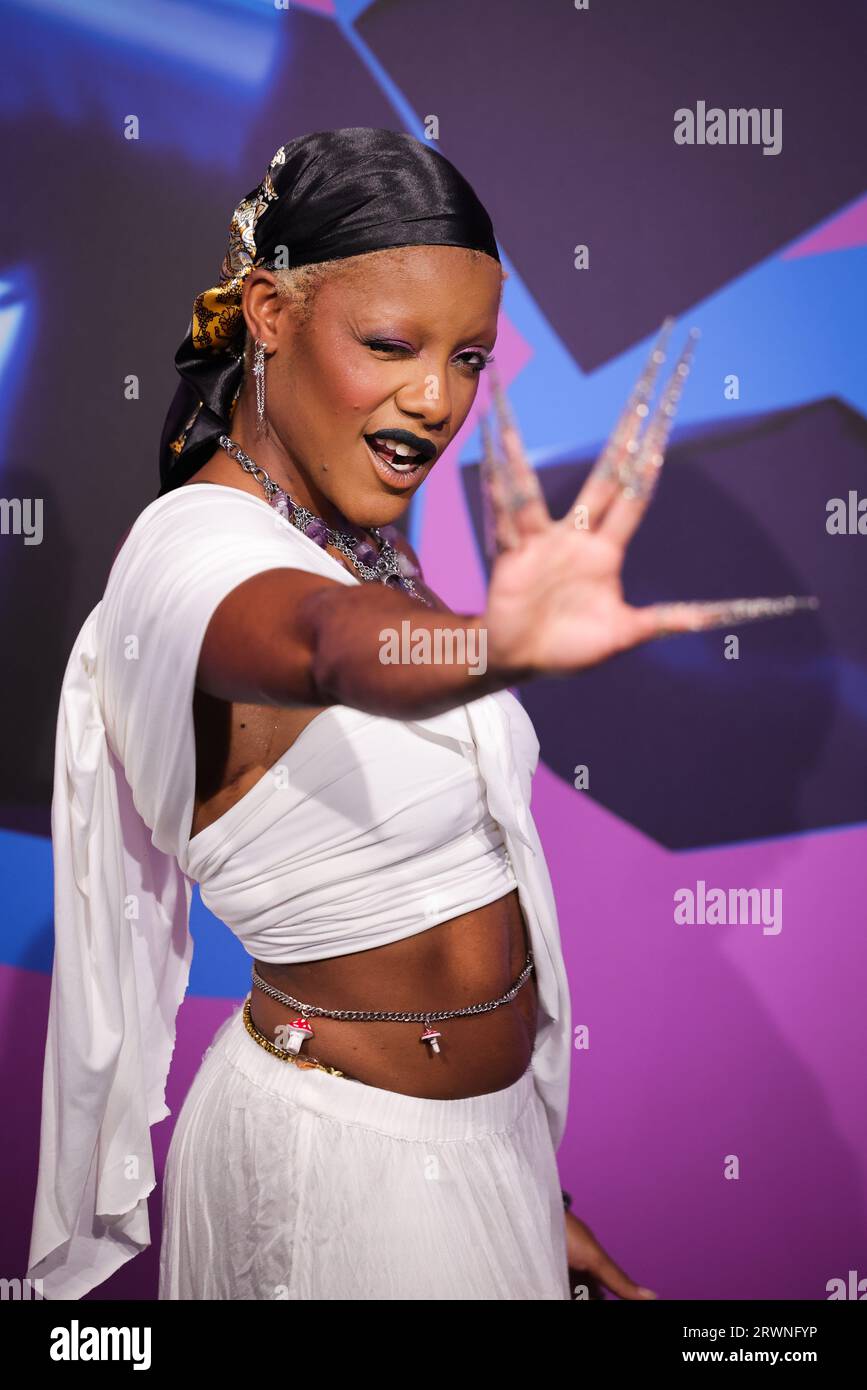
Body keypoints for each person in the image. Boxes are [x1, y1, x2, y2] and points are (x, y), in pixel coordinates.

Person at [27, 127, 805, 1302]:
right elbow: (324, 646)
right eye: (391, 344)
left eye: (470, 358)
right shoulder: (188, 553)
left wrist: (531, 1189)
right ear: (269, 314)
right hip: (342, 1173)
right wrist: (496, 644)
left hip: (477, 1154)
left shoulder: (354, 538)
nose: (434, 399)